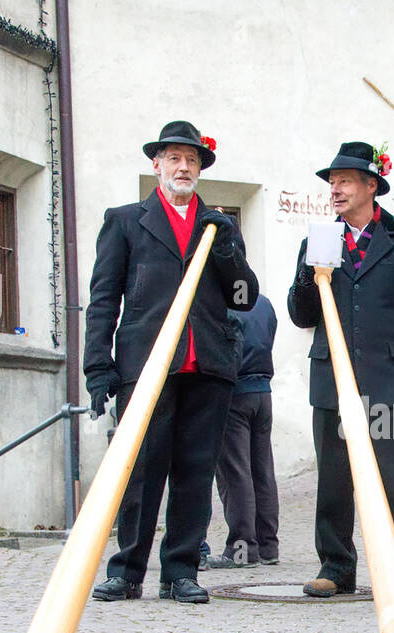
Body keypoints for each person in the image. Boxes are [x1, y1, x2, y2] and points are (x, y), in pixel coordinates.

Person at [84, 120, 258, 604]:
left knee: (196, 471)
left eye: (192, 160)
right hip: (146, 366)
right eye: (174, 158)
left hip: (207, 368)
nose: (184, 167)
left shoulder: (218, 224)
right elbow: (103, 300)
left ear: (200, 168)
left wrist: (226, 250)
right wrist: (98, 366)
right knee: (140, 470)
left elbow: (243, 297)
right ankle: (128, 570)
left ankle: (180, 570)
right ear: (156, 164)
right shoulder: (124, 221)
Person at [287, 141, 394, 606]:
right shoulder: (316, 240)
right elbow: (301, 315)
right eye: (331, 182)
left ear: (371, 186)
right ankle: (335, 567)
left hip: (391, 378)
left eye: (344, 181)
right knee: (334, 478)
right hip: (331, 379)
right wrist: (306, 275)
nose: (334, 189)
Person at [206, 293, 280, 568]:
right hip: (263, 392)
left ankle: (242, 549)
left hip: (234, 392)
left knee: (235, 473)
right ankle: (268, 546)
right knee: (262, 471)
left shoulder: (220, 302)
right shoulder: (263, 302)